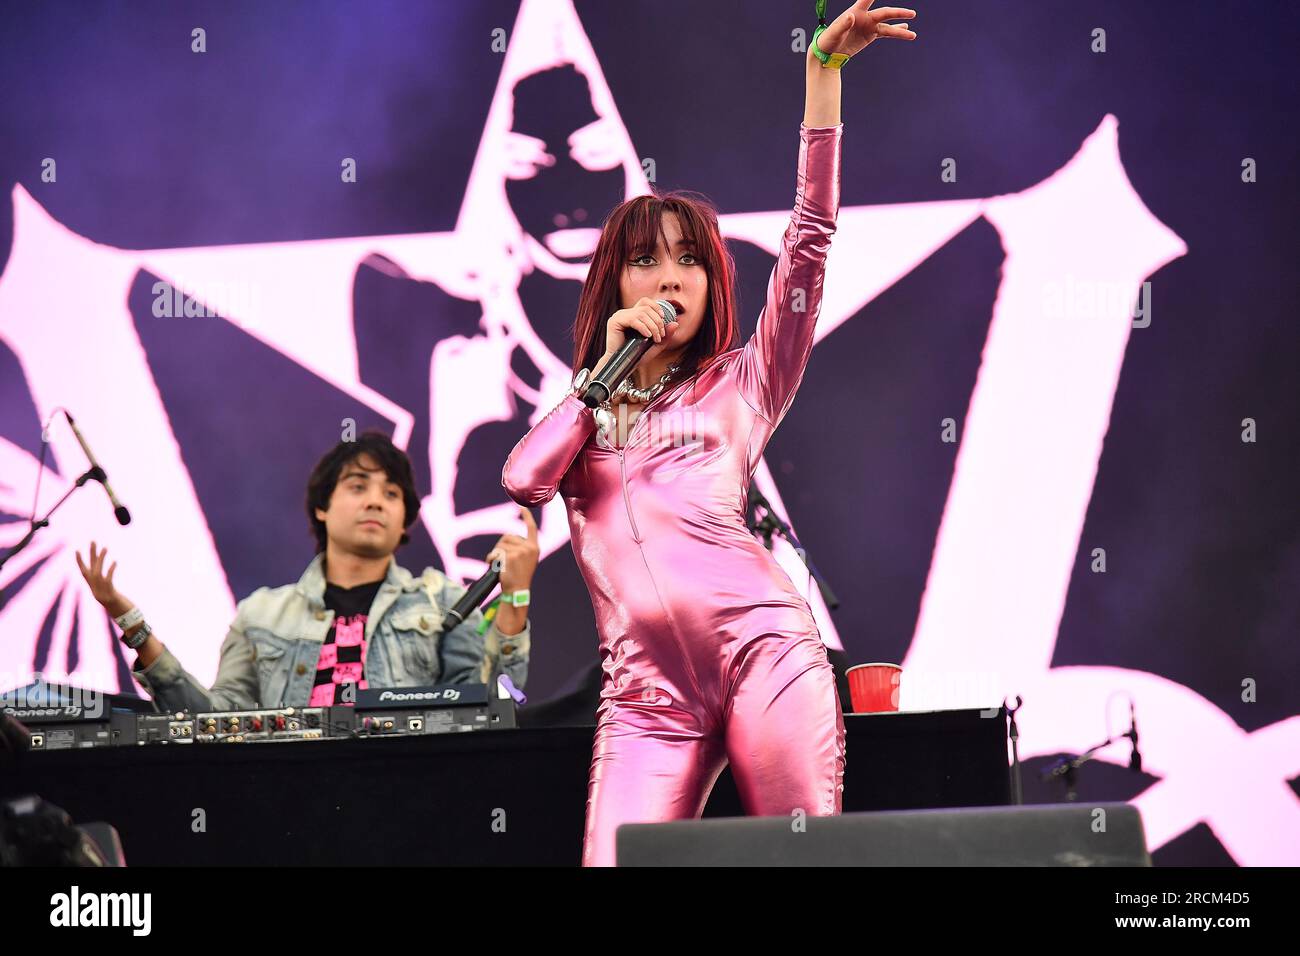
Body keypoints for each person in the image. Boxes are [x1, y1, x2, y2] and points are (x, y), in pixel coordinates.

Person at [502, 3, 918, 865]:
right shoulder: (586, 408)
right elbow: (524, 479)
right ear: (614, 281)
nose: (671, 275)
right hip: (645, 695)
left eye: (690, 258)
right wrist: (600, 377)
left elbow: (808, 243)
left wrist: (823, 76)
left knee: (803, 861)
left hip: (766, 651)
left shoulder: (743, 381)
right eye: (647, 258)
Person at [77, 431, 539, 714]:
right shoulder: (261, 614)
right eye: (358, 486)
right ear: (322, 506)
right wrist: (133, 625)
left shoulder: (443, 603)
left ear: (405, 522)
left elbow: (490, 708)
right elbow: (210, 725)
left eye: (392, 494)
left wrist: (515, 600)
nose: (376, 500)